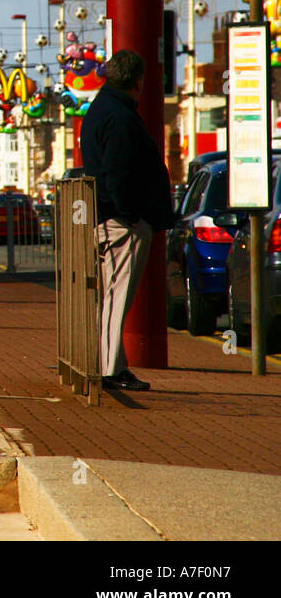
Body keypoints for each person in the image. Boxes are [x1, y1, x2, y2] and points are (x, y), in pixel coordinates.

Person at [81, 49, 176, 393]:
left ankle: (115, 365)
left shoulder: (100, 110)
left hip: (109, 218)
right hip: (121, 223)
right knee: (116, 297)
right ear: (139, 80)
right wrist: (131, 216)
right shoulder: (120, 117)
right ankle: (107, 368)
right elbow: (118, 172)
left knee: (111, 295)